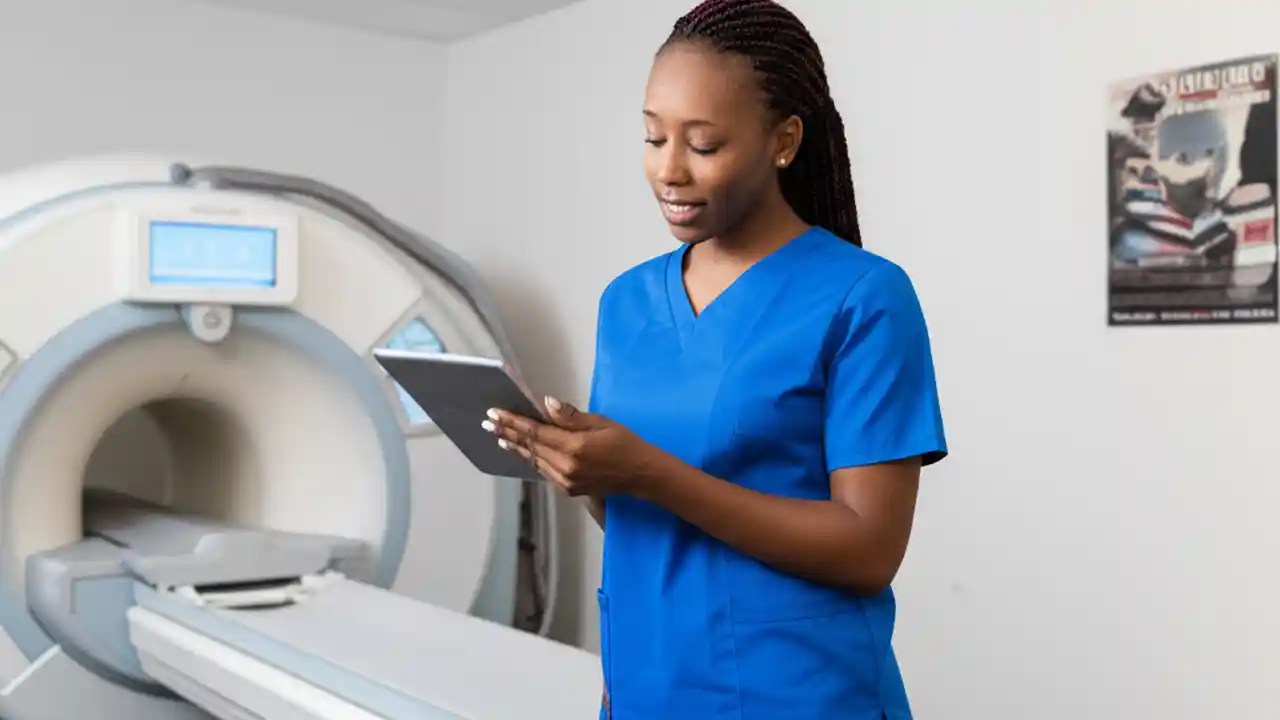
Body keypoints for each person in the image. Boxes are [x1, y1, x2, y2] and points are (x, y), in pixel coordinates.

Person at [485, 1, 947, 717]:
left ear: (783, 141)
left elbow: (868, 548)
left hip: (795, 693)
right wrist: (580, 466)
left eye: (702, 145)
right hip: (648, 683)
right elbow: (642, 510)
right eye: (652, 137)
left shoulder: (864, 298)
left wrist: (650, 471)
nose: (669, 171)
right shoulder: (628, 301)